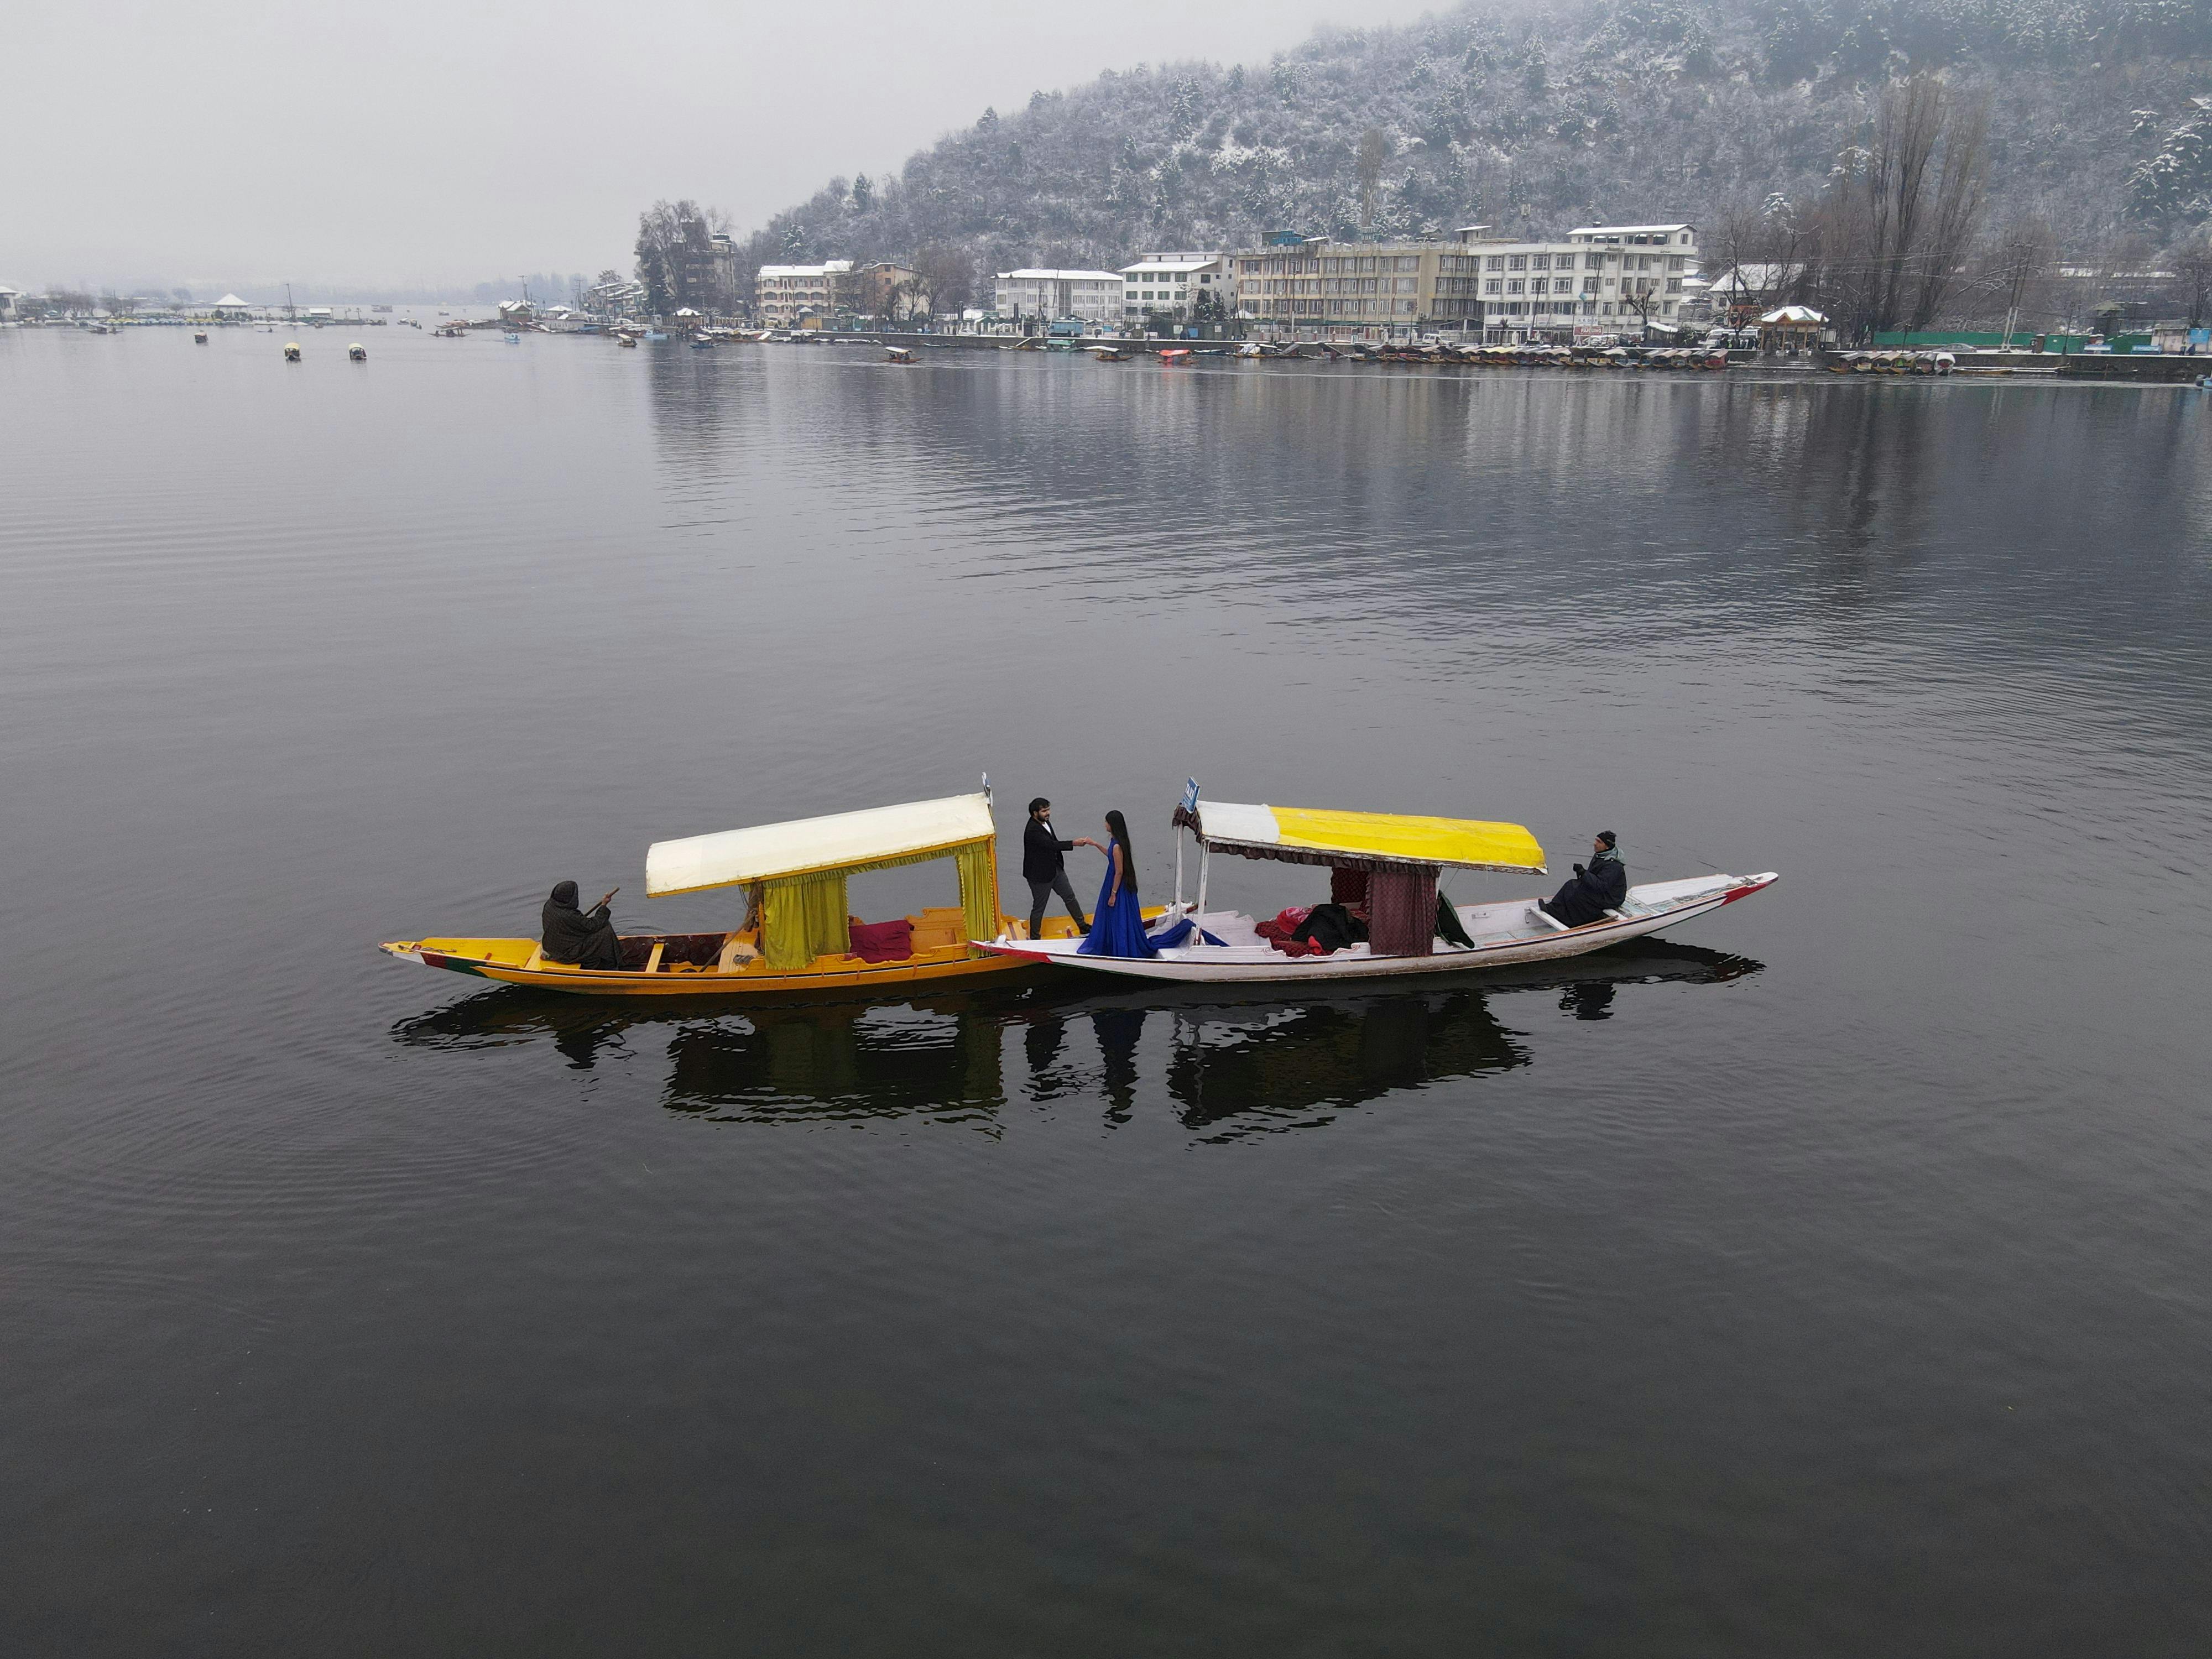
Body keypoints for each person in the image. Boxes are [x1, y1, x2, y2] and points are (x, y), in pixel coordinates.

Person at [1077, 810, 1156, 958]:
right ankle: (1119, 942)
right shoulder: (1117, 844)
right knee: (1121, 917)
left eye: (1106, 822)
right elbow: (1111, 856)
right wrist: (1095, 844)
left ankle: (1119, 946)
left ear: (1112, 825)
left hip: (1116, 886)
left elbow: (1118, 872)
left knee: (1117, 916)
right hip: (1118, 884)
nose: (1105, 824)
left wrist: (1113, 894)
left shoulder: (1117, 847)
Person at [1022, 797, 1097, 941]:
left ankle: (1082, 926)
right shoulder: (1033, 831)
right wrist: (1073, 843)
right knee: (1039, 907)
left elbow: (1053, 842)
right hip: (1040, 876)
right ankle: (1035, 939)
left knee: (1070, 897)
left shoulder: (1045, 822)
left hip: (1055, 868)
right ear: (1034, 813)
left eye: (1048, 809)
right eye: (1044, 811)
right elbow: (1052, 845)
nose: (1048, 813)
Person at [1537, 832, 1627, 928]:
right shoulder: (1600, 855)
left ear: (1607, 846)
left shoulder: (1613, 865)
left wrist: (1583, 873)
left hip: (1611, 897)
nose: (1595, 843)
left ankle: (1571, 921)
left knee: (1580, 895)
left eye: (1599, 842)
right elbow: (1594, 877)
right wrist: (1583, 874)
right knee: (1571, 885)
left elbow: (1602, 886)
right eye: (1596, 840)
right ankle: (1553, 908)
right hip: (1602, 890)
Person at [542, 880, 623, 969]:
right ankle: (610, 964)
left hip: (551, 946)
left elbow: (580, 924)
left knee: (601, 927)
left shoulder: (550, 904)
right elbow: (594, 926)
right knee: (606, 931)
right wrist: (604, 905)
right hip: (565, 953)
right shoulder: (570, 915)